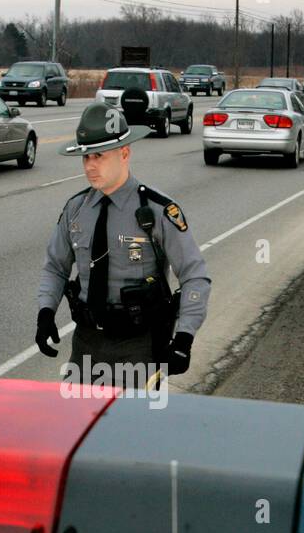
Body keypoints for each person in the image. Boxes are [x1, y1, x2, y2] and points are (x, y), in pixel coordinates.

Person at [36, 103, 210, 388]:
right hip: (87, 344)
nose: (90, 165)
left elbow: (195, 276)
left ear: (125, 153)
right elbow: (55, 267)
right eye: (85, 157)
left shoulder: (156, 211)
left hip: (138, 347)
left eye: (98, 156)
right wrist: (45, 312)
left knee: (130, 429)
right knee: (79, 426)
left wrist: (184, 338)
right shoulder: (76, 209)